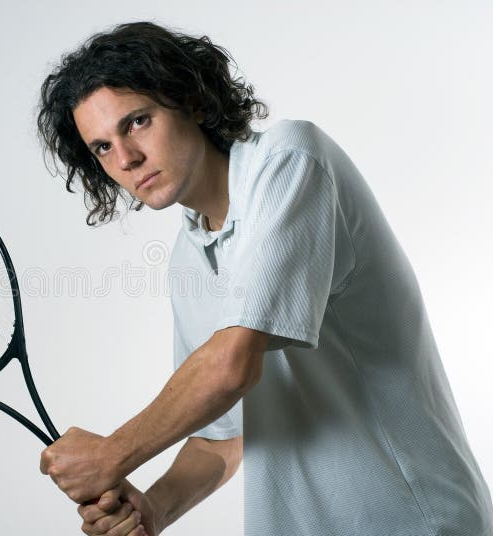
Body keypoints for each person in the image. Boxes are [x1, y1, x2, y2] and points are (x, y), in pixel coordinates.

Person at [35, 21, 493, 536]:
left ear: (195, 102)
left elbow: (231, 366)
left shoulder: (292, 161)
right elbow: (222, 437)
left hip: (413, 523)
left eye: (138, 122)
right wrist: (155, 509)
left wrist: (112, 453)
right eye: (101, 147)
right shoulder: (188, 256)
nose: (125, 158)